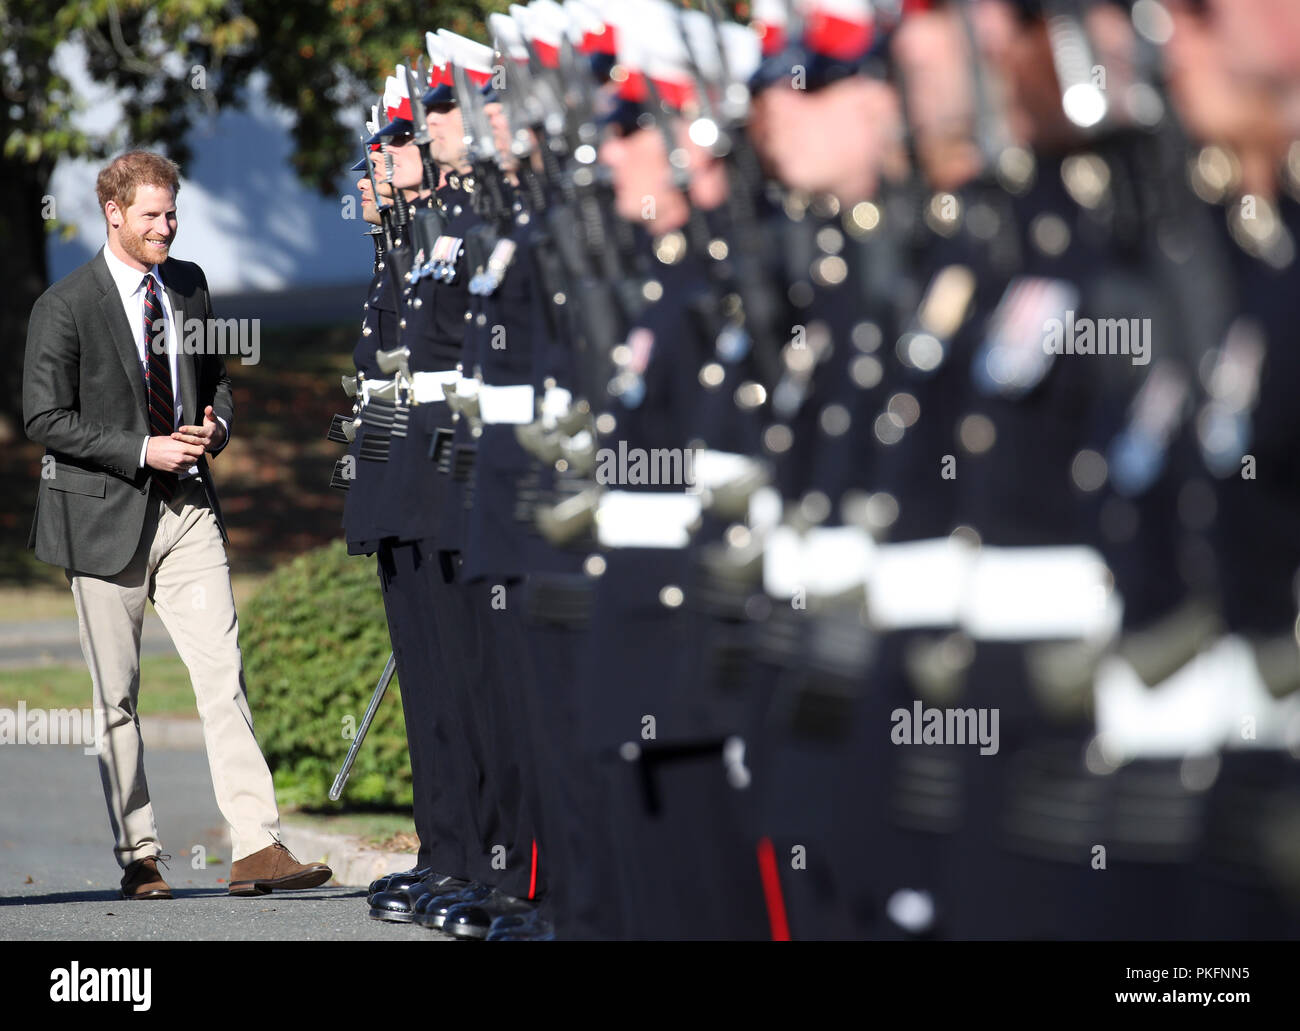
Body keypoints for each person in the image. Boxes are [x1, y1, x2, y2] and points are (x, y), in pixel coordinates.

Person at [22, 149, 332, 900]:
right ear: (115, 214)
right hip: (103, 522)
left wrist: (214, 431)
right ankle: (141, 854)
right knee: (116, 698)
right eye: (154, 215)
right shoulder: (63, 306)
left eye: (173, 213)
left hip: (188, 509)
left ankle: (257, 845)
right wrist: (141, 448)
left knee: (223, 678)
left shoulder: (187, 287)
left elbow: (218, 381)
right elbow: (43, 416)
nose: (168, 226)